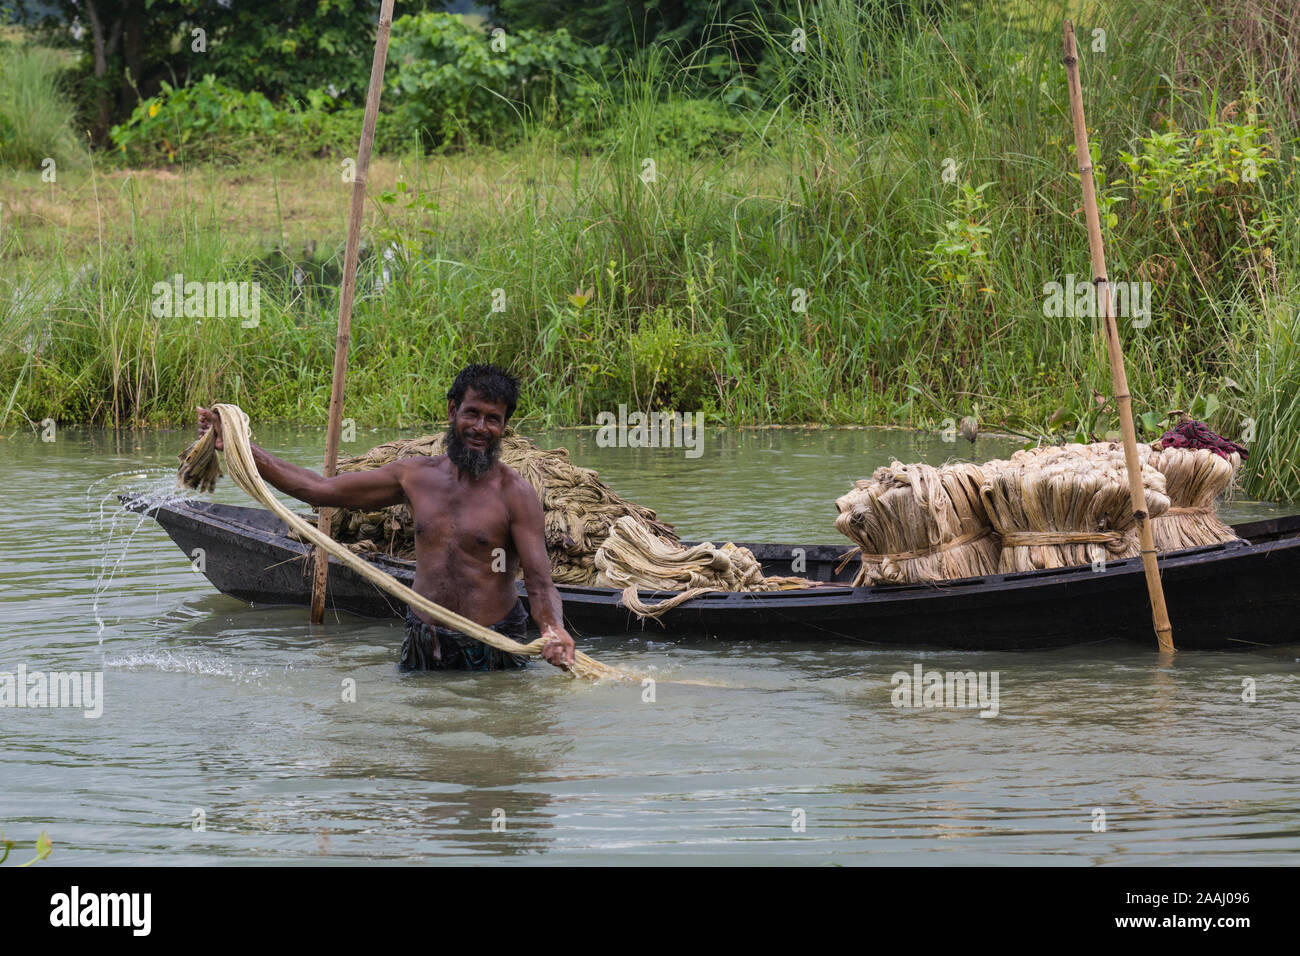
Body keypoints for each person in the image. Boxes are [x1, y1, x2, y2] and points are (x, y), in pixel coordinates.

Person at [196, 364, 577, 671]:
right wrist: (241, 447)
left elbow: (541, 586)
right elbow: (317, 489)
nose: (480, 428)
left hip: (494, 644)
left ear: (504, 426)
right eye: (472, 413)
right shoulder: (414, 477)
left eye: (492, 419)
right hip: (424, 640)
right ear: (452, 411)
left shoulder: (516, 494)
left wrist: (551, 629)